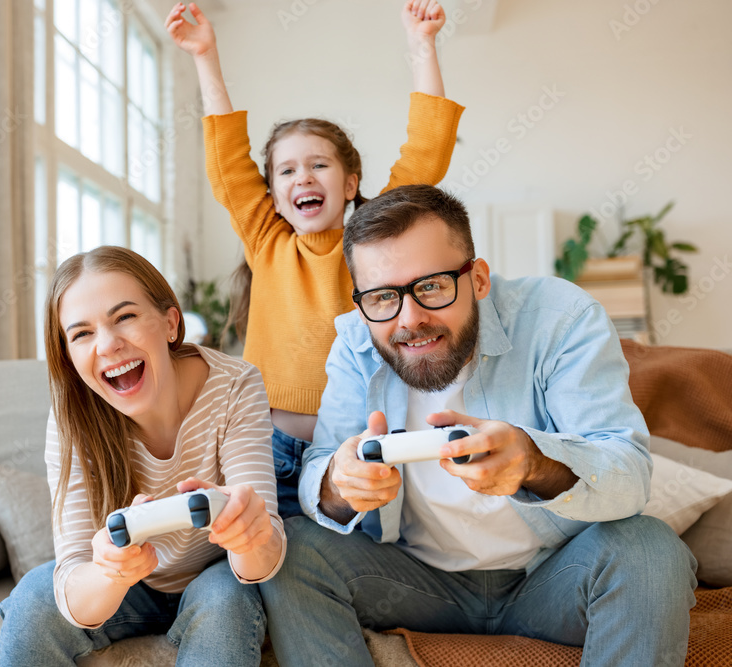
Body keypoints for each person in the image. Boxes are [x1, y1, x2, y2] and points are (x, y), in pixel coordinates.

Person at [259, 185, 698, 667]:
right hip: (414, 583)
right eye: (383, 296)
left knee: (651, 549)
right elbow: (321, 470)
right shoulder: (356, 341)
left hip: (551, 576)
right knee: (290, 551)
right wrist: (340, 484)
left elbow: (629, 473)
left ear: (480, 279)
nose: (410, 319)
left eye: (431, 286)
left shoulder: (561, 319)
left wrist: (534, 461)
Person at [166, 1, 465, 517]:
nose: (302, 177)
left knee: (339, 564)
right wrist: (205, 56)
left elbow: (426, 153)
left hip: (353, 452)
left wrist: (423, 46)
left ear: (350, 184)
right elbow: (227, 164)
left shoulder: (374, 247)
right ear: (275, 196)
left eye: (318, 165)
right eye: (285, 171)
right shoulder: (266, 239)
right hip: (267, 451)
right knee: (263, 561)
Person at [0, 246, 285, 667]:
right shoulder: (70, 421)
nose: (109, 345)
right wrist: (112, 571)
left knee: (226, 604)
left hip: (216, 575)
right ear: (69, 357)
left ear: (170, 322)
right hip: (128, 590)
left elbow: (263, 560)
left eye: (124, 317)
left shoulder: (235, 385)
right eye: (81, 334)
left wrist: (250, 534)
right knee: (33, 599)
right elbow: (77, 590)